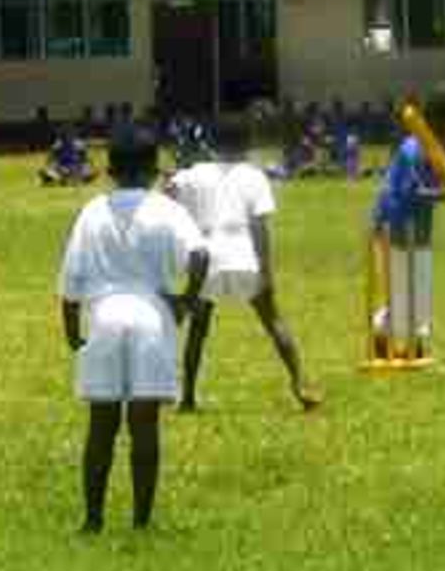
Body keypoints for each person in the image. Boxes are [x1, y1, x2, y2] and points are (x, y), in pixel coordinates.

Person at [58, 124, 209, 533]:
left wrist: (73, 333)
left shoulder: (93, 211)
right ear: (152, 168)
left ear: (110, 169)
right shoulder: (167, 209)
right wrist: (187, 301)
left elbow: (71, 282)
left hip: (104, 317)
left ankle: (93, 519)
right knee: (144, 426)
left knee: (101, 425)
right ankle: (141, 520)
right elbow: (198, 255)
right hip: (151, 318)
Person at [166, 117, 321, 413]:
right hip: (244, 255)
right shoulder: (254, 176)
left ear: (210, 144)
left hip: (207, 259)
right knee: (273, 320)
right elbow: (259, 226)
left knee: (198, 329)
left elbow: (167, 192)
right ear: (247, 146)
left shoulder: (196, 173)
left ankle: (186, 396)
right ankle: (299, 384)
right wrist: (265, 271)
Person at [369, 95, 445, 360]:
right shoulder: (412, 149)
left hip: (419, 227)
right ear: (437, 121)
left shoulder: (442, 147)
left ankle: (412, 343)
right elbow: (410, 193)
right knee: (402, 290)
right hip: (395, 223)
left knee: (421, 289)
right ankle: (382, 336)